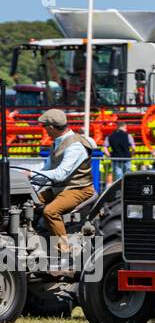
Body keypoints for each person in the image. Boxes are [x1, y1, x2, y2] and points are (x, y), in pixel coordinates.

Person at [16, 109, 97, 260]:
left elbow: (61, 174)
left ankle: (65, 251)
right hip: (61, 187)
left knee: (51, 211)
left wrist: (32, 175)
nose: (44, 130)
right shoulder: (58, 143)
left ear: (51, 127)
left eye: (44, 126)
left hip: (78, 189)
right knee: (28, 203)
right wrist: (25, 174)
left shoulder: (76, 146)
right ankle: (33, 237)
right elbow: (46, 169)